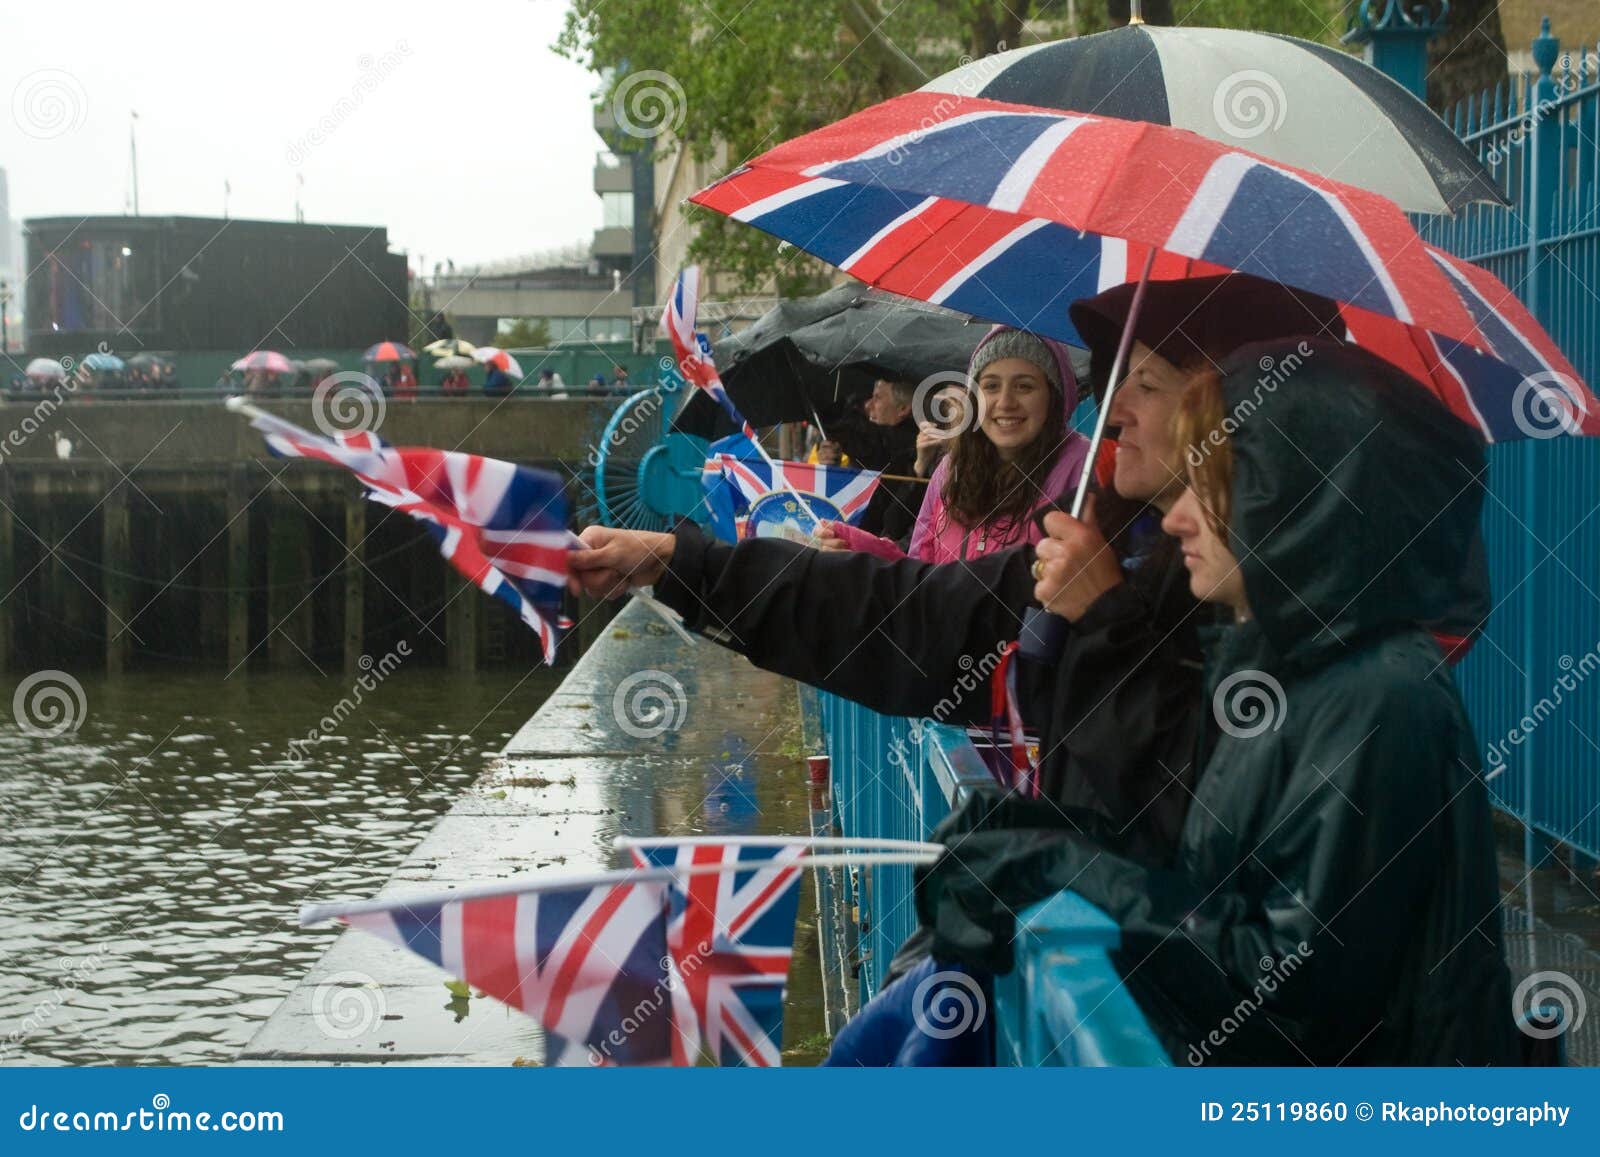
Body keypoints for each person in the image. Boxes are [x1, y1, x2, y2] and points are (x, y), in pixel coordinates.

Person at [569, 275, 1344, 863]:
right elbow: (915, 608)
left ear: (1221, 412)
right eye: (1119, 385)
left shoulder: (1325, 663)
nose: (1116, 413)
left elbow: (1200, 831)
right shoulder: (1114, 537)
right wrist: (679, 562)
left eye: (1146, 385)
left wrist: (1103, 617)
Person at [914, 339, 1517, 1066]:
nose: (1175, 519)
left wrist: (1066, 868)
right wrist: (1041, 833)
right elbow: (1218, 882)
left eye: (1213, 484)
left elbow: (1293, 997)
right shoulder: (1281, 664)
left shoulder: (1377, 700)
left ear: (1299, 495)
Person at [818, 326, 1089, 564]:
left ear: (1053, 397)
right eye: (991, 386)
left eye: (1024, 387)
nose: (1005, 402)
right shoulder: (951, 468)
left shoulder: (1084, 468)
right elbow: (920, 573)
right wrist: (858, 551)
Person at [817, 378, 921, 543]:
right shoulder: (862, 443)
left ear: (903, 408)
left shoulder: (913, 451)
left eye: (878, 398)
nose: (868, 405)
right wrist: (831, 468)